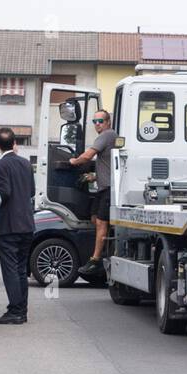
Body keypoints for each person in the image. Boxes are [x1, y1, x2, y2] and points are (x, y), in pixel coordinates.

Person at [0, 127, 35, 325]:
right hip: (26, 224)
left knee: (10, 270)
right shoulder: (25, 164)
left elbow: (4, 192)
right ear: (15, 143)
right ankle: (21, 310)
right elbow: (32, 191)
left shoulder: (0, 166)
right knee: (20, 270)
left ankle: (15, 310)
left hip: (8, 225)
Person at [68, 109, 116, 276]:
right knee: (95, 218)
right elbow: (108, 165)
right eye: (94, 121)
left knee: (102, 222)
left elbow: (88, 156)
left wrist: (73, 161)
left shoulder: (107, 135)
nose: (97, 124)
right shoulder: (108, 136)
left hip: (109, 189)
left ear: (108, 122)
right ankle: (105, 250)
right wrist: (94, 177)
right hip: (103, 187)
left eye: (100, 121)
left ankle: (95, 260)